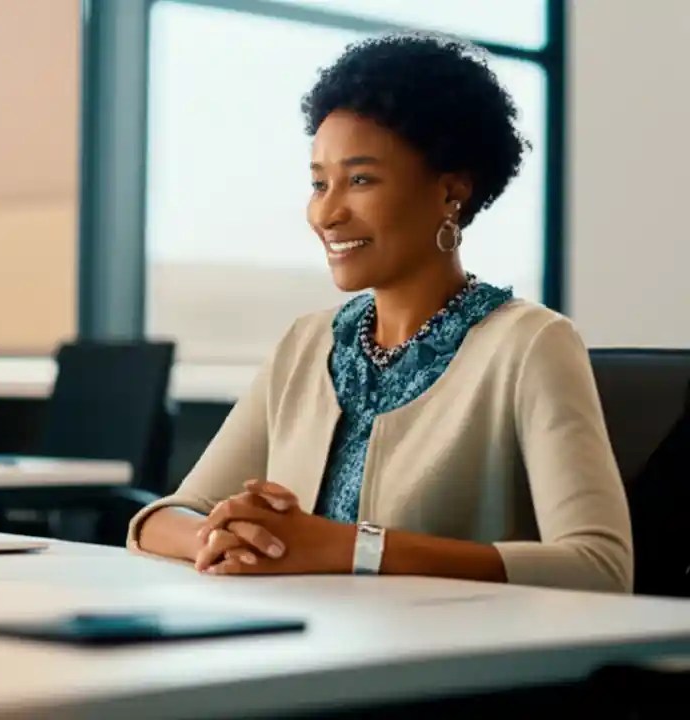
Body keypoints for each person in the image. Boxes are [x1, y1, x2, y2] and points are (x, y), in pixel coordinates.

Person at [128, 33, 633, 593]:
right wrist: (236, 540)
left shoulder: (531, 344)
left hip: (446, 670)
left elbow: (599, 568)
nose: (327, 211)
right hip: (291, 652)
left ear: (451, 191)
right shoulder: (307, 342)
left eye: (361, 180)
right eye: (319, 182)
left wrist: (351, 549)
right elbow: (167, 517)